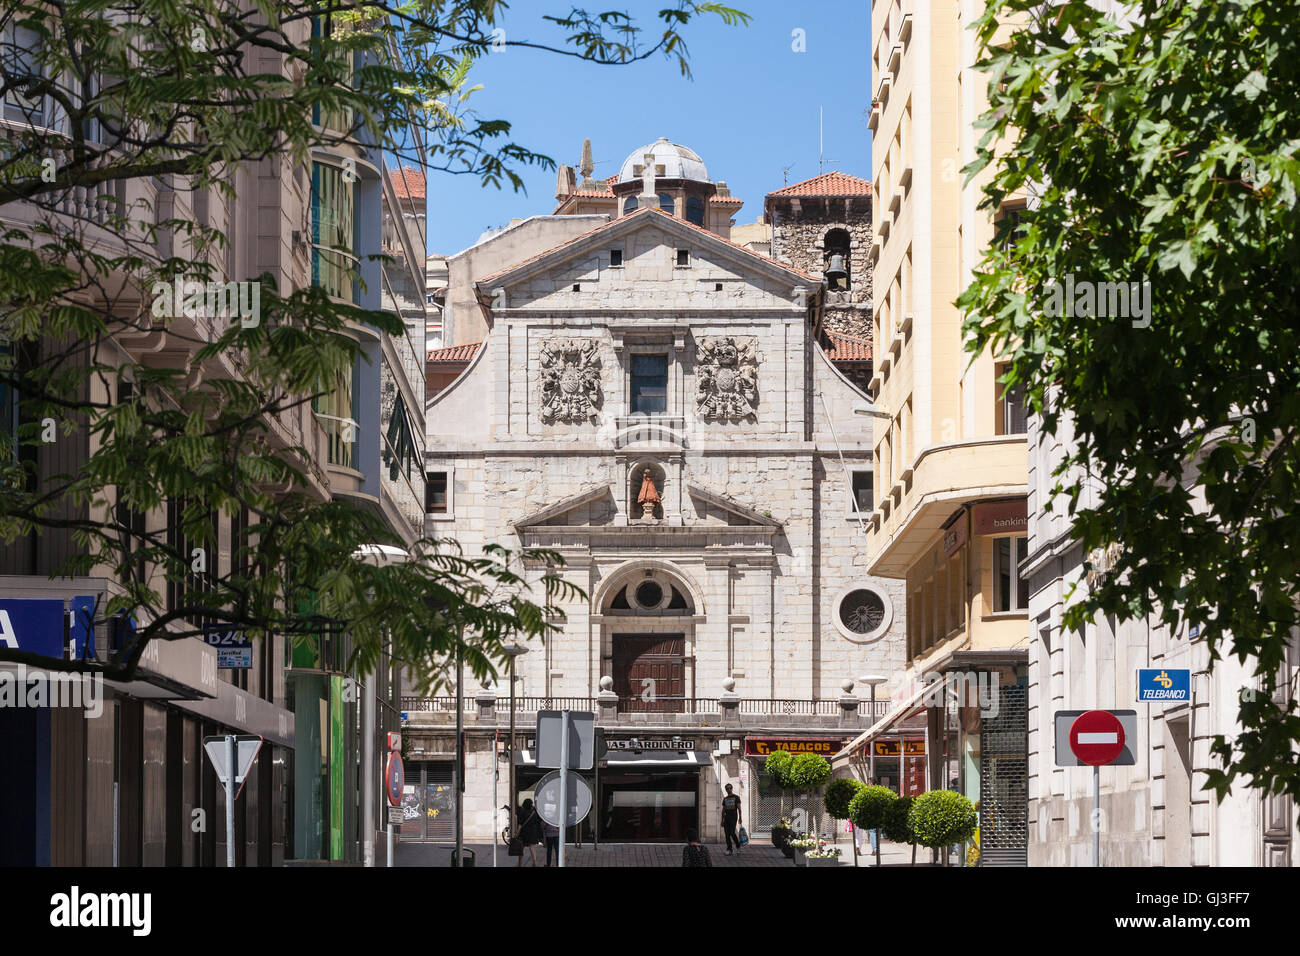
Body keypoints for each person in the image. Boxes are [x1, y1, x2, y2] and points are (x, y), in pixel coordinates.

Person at [517, 799, 543, 867]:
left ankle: (520, 864)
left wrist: (517, 833)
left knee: (521, 848)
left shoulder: (522, 812)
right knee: (532, 847)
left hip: (524, 832)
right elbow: (538, 821)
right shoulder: (534, 812)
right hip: (532, 832)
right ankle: (534, 862)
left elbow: (520, 824)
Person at [720, 783, 743, 855]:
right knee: (727, 834)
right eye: (727, 788)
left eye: (730, 788)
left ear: (732, 788)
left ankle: (738, 846)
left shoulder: (736, 797)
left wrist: (740, 818)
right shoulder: (725, 799)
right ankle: (729, 849)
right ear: (726, 790)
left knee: (732, 832)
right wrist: (722, 820)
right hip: (727, 818)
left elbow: (739, 809)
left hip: (733, 817)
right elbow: (723, 810)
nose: (728, 789)